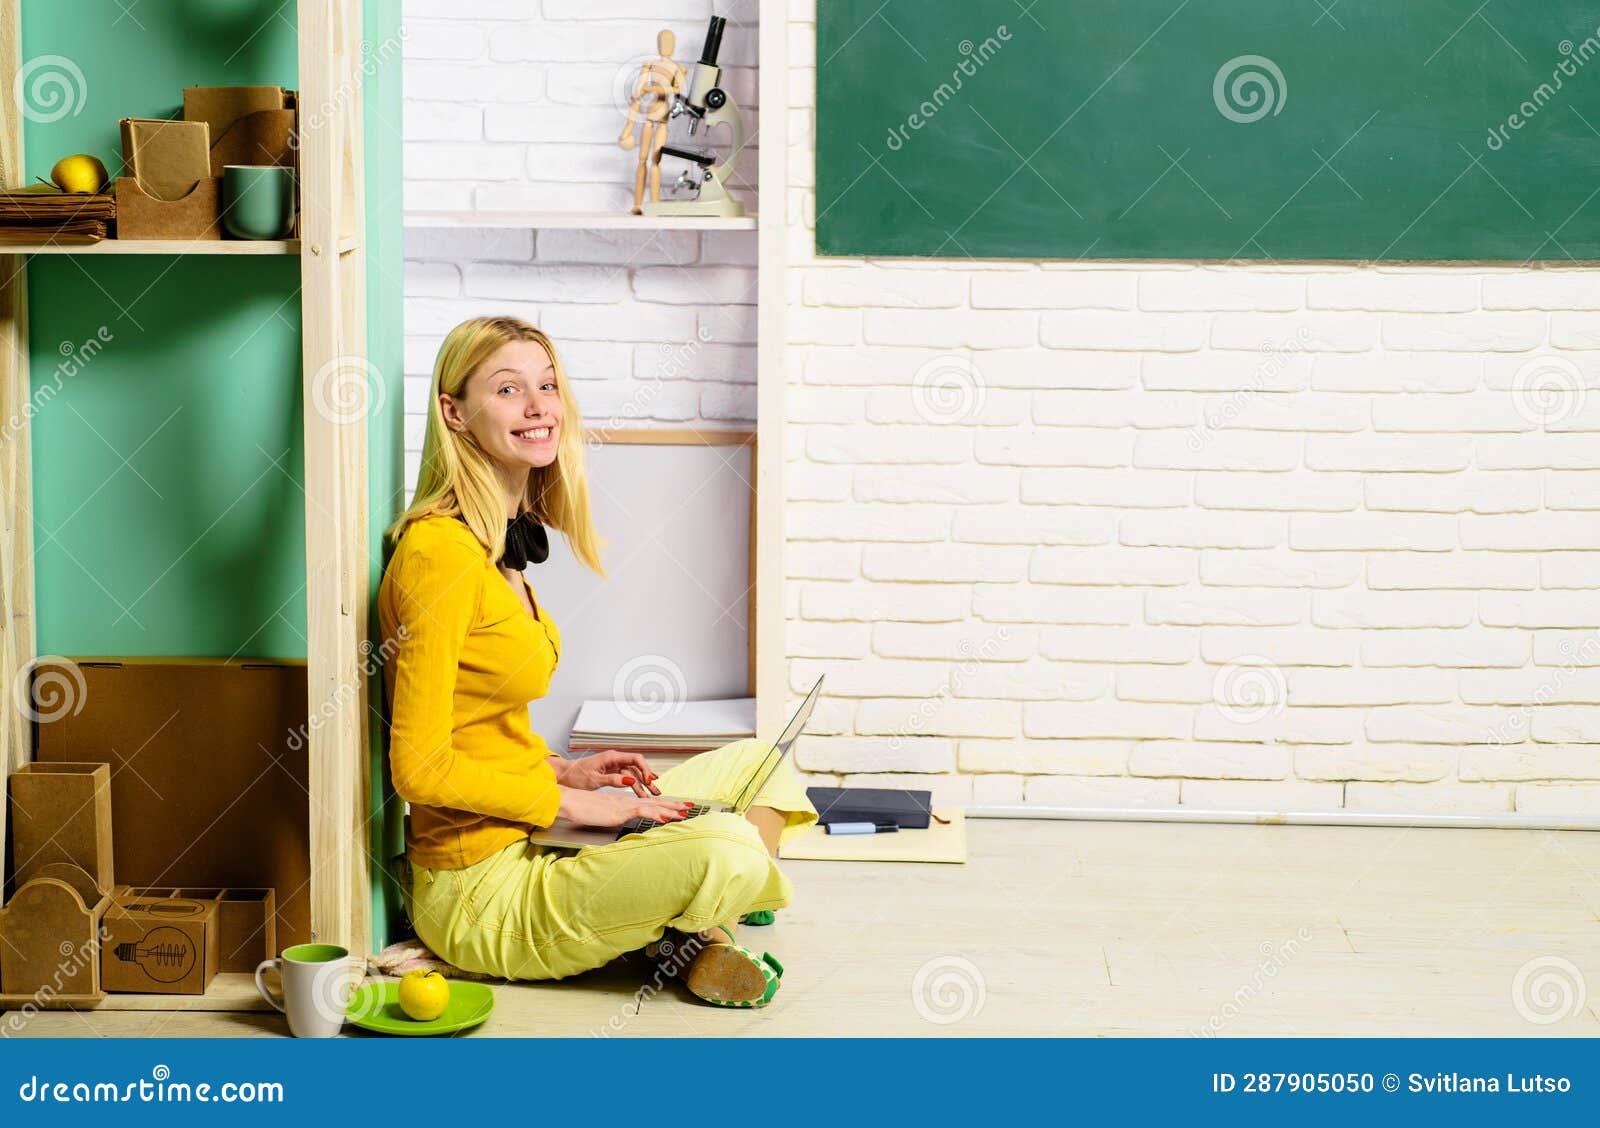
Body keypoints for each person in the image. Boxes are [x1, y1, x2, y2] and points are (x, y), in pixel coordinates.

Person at [377, 315, 816, 1007]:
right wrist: (575, 803)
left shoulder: (499, 549)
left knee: (763, 763)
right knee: (728, 846)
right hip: (481, 891)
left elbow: (481, 730)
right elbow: (421, 769)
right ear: (453, 412)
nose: (538, 406)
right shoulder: (439, 556)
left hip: (533, 831)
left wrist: (565, 768)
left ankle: (682, 926)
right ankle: (694, 928)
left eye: (546, 385)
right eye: (508, 389)